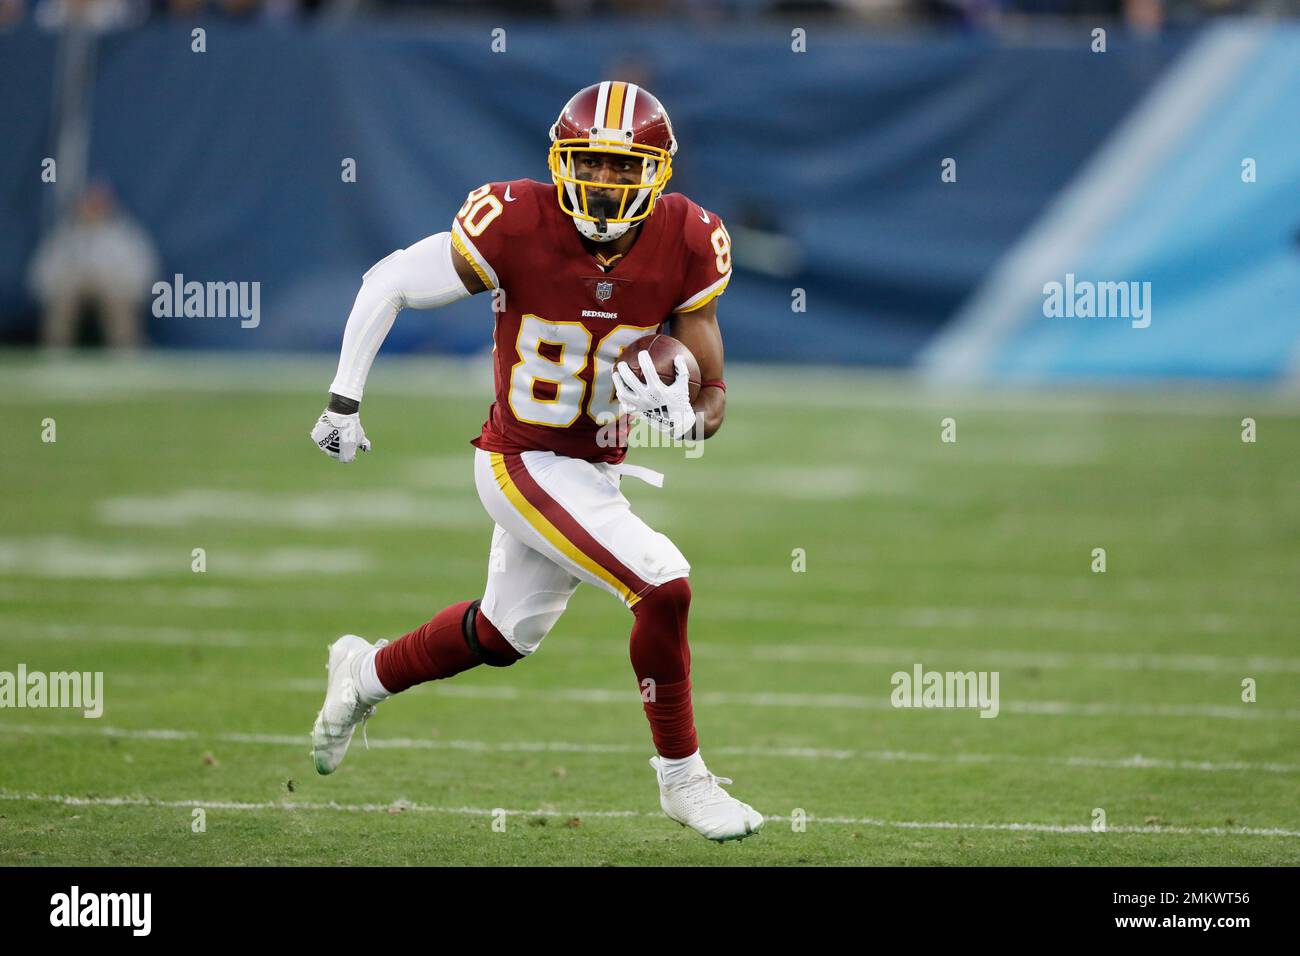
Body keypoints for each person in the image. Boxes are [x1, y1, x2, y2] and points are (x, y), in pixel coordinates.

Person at [308, 81, 761, 842]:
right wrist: (343, 400)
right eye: (593, 164)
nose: (607, 182)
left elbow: (713, 391)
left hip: (594, 468)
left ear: (658, 173)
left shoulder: (688, 237)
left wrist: (689, 419)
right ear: (561, 161)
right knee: (663, 583)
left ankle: (362, 676)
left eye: (626, 168)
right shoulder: (515, 219)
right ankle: (683, 780)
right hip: (521, 458)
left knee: (501, 635)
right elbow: (388, 279)